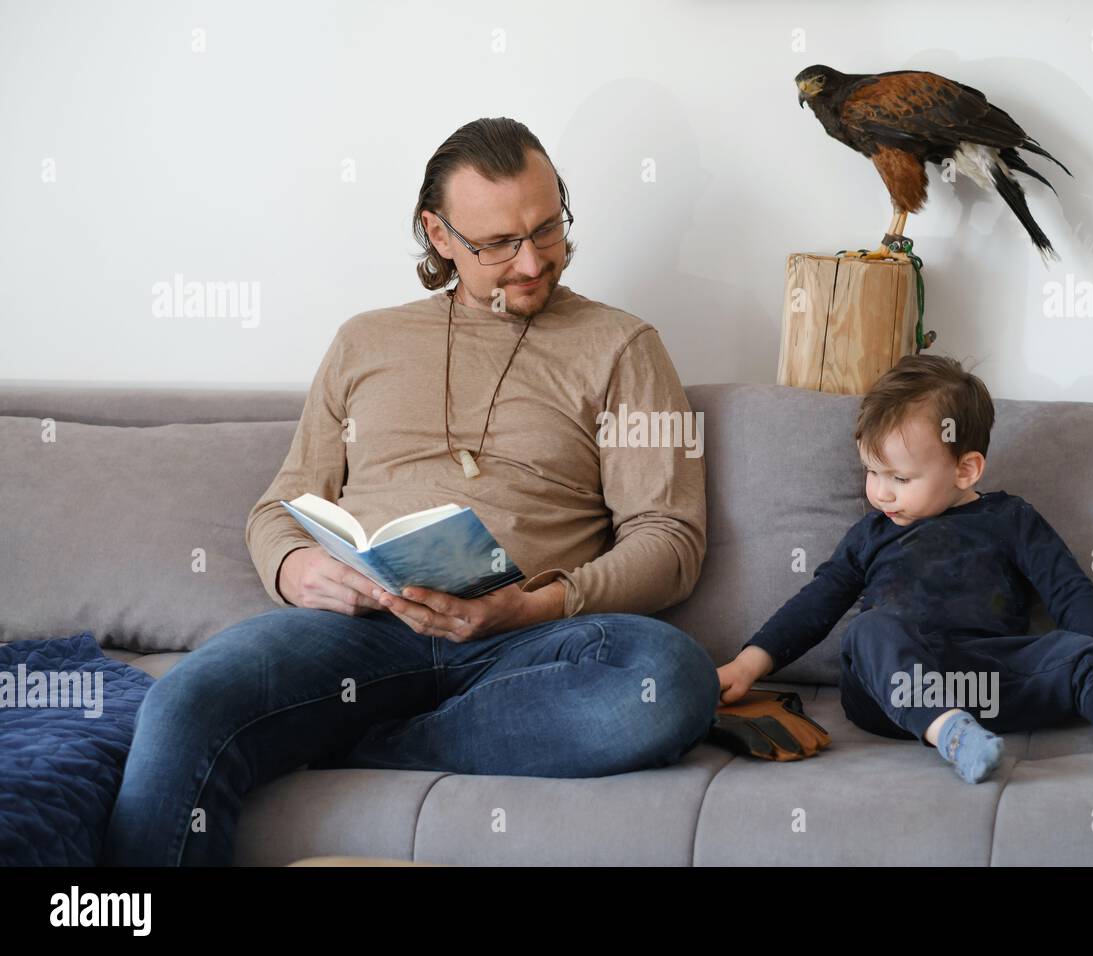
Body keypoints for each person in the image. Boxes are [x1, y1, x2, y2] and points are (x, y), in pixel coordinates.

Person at [102, 117, 719, 866]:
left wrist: (531, 604)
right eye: (497, 244)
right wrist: (300, 569)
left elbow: (670, 539)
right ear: (439, 234)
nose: (532, 261)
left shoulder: (624, 346)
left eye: (547, 228)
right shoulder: (366, 342)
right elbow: (280, 507)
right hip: (358, 631)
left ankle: (376, 742)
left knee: (670, 678)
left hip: (527, 644)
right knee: (181, 702)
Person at [716, 354, 1093, 783]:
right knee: (870, 629)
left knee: (1078, 652)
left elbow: (1070, 592)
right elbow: (816, 604)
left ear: (965, 467)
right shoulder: (871, 534)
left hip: (988, 680)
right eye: (872, 472)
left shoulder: (1010, 518)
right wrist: (748, 664)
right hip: (893, 691)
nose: (882, 492)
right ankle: (950, 733)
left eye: (900, 478)